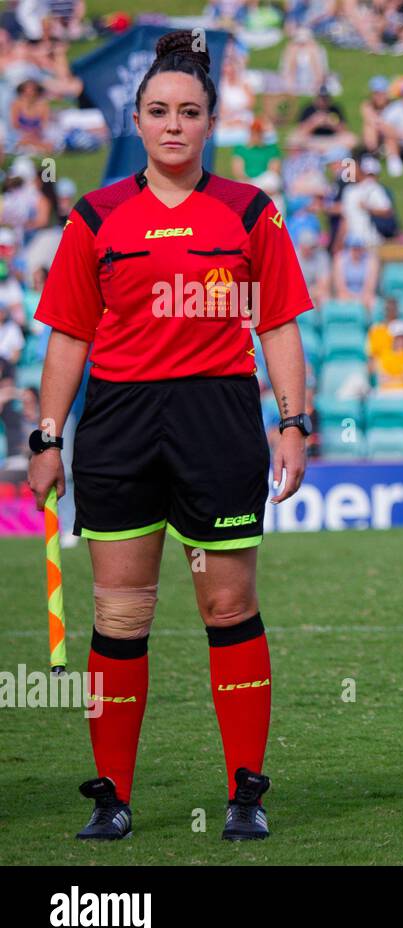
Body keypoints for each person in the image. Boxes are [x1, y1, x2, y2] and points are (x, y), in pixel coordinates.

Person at [25, 31, 313, 841]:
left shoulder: (251, 210)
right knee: (121, 613)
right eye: (159, 111)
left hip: (218, 419)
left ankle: (245, 794)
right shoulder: (96, 216)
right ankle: (111, 796)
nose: (174, 125)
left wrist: (293, 422)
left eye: (189, 111)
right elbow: (69, 338)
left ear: (211, 120)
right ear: (138, 119)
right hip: (118, 422)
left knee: (228, 603)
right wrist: (48, 437)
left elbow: (281, 323)